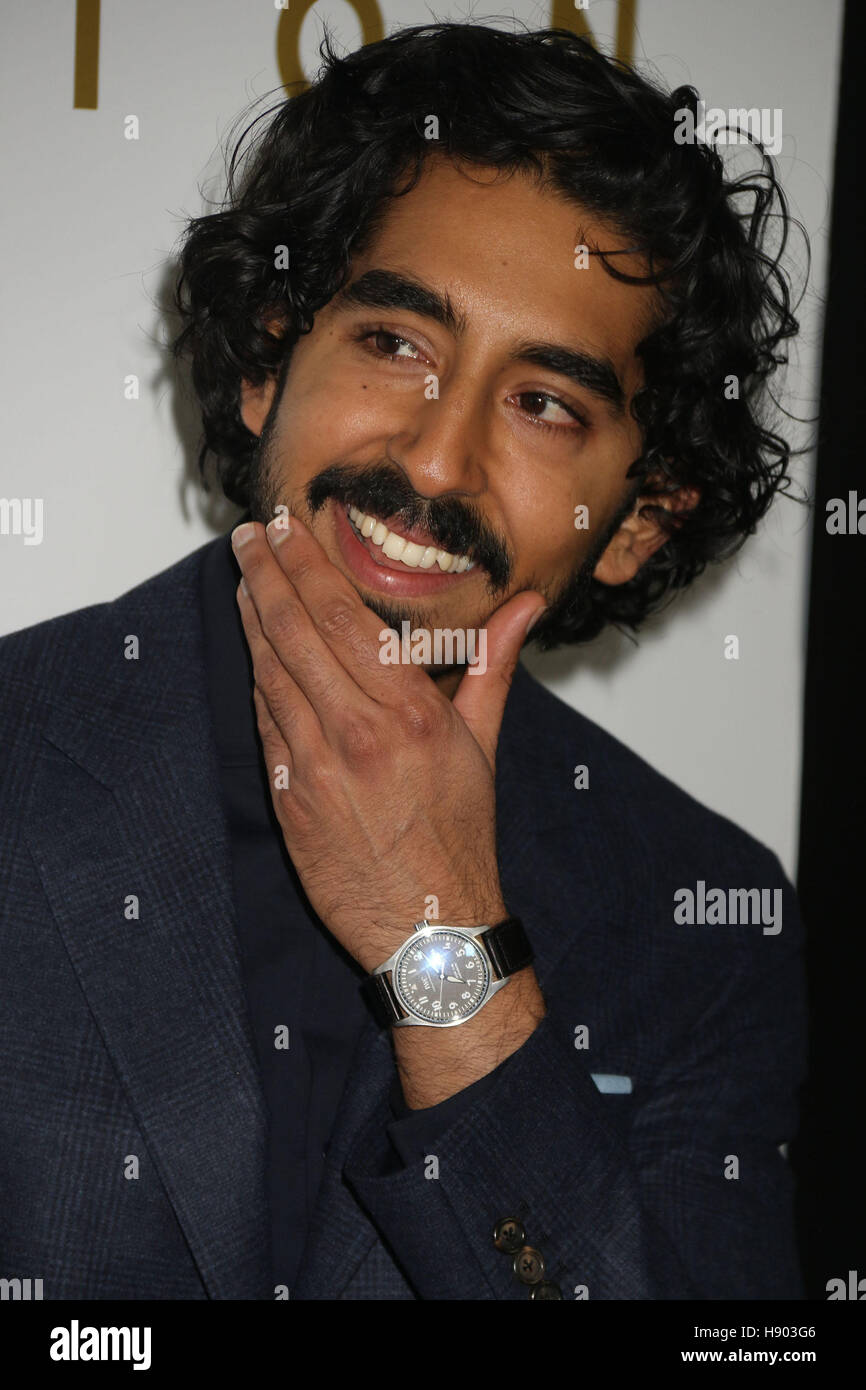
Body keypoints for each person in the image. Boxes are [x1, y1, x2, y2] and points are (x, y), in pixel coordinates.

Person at [0, 22, 807, 1300]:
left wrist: (445, 955)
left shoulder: (701, 921)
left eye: (544, 404)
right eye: (393, 343)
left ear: (636, 519)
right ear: (269, 360)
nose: (435, 460)